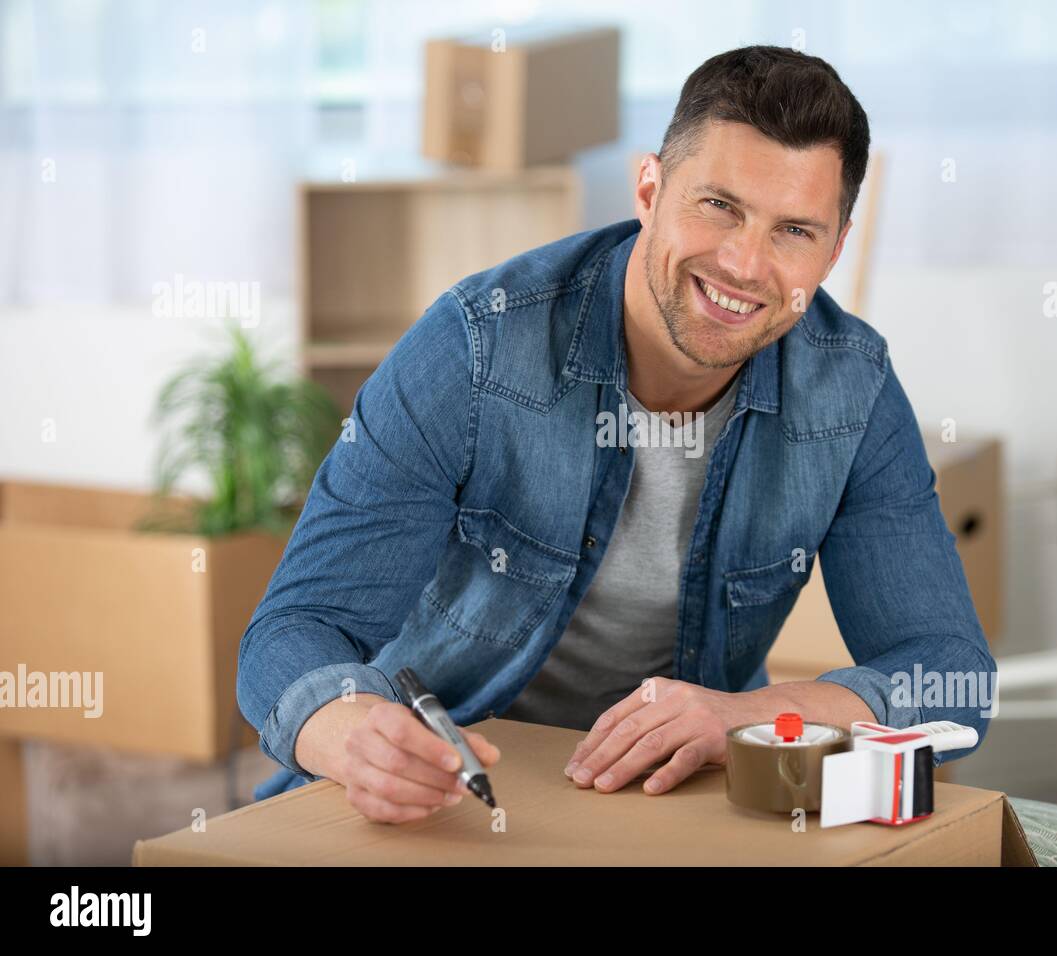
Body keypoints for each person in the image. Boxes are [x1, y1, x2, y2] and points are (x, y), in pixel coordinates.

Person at [237, 45, 996, 823]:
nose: (744, 264)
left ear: (832, 252)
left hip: (674, 800)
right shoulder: (475, 347)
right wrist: (351, 734)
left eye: (794, 231)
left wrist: (745, 715)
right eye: (719, 206)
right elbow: (295, 629)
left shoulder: (852, 389)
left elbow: (953, 678)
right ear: (648, 188)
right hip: (446, 789)